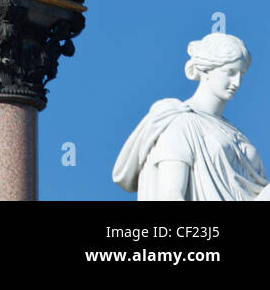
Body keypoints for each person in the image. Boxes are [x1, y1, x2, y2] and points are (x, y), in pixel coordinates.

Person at [114, 33, 270, 201]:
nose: (237, 82)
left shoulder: (235, 134)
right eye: (230, 72)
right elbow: (170, 195)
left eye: (241, 74)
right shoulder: (180, 122)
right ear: (206, 69)